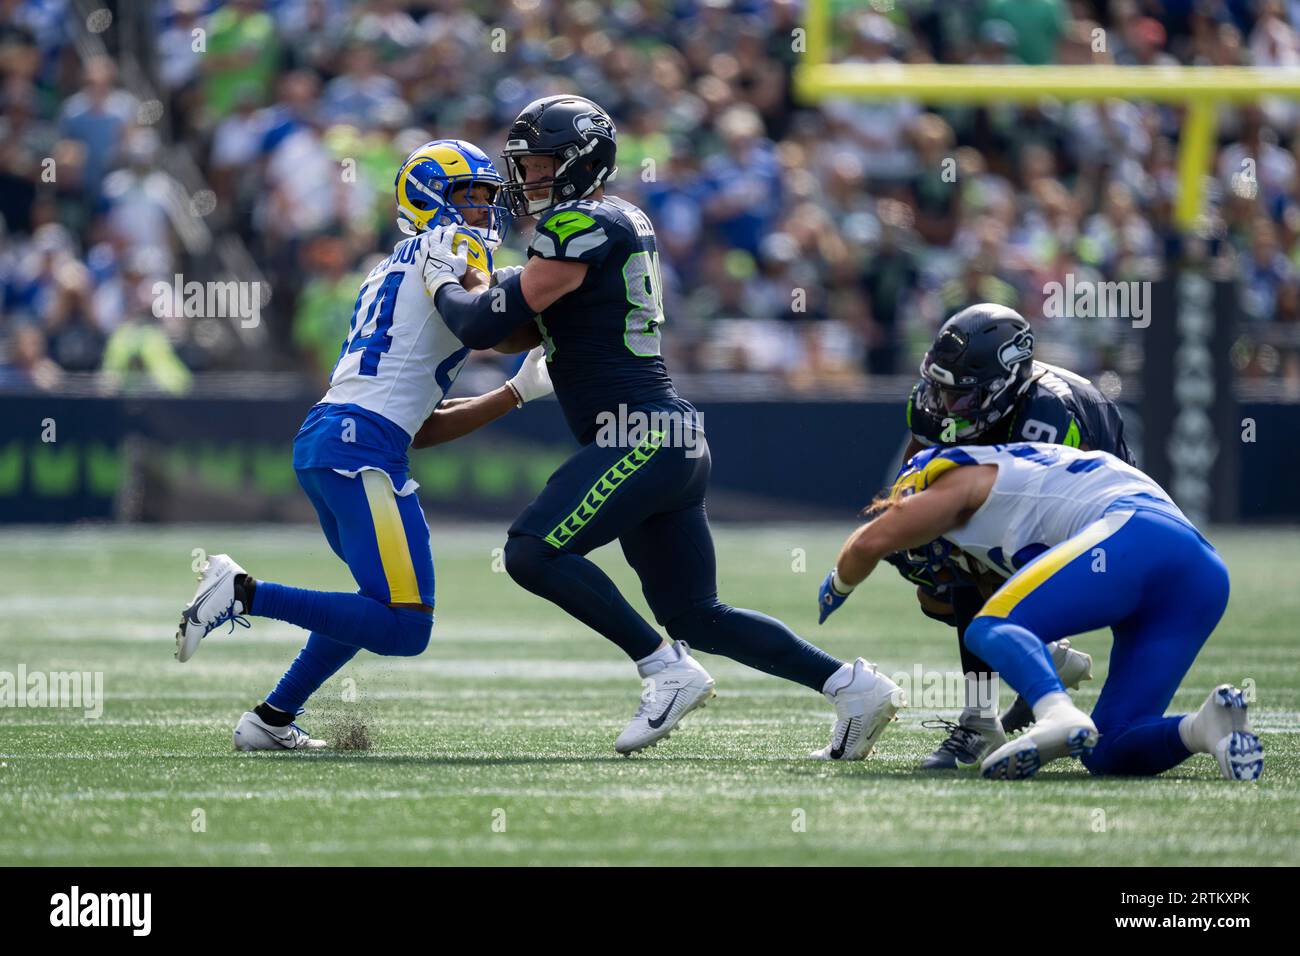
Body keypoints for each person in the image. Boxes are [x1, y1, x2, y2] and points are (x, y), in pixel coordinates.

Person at [423, 94, 901, 759]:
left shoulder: (575, 225)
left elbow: (479, 325)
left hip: (637, 435)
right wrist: (485, 285)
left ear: (577, 162)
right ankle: (853, 686)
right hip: (661, 436)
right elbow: (517, 330)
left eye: (537, 165)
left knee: (532, 551)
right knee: (696, 614)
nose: (525, 179)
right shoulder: (616, 218)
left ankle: (661, 667)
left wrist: (443, 280)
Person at [174, 140, 554, 750]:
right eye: (469, 197)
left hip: (336, 440)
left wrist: (513, 394)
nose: (484, 211)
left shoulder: (390, 266)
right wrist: (561, 303)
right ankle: (243, 592)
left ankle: (271, 719)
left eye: (488, 198)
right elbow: (494, 322)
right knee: (406, 626)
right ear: (430, 200)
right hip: (360, 448)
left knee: (376, 604)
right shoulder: (449, 246)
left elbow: (420, 424)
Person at [820, 442, 1263, 781]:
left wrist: (837, 585)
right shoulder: (1026, 478)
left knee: (989, 627)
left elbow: (868, 542)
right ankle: (1207, 728)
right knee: (1109, 749)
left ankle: (1056, 713)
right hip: (1196, 576)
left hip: (1137, 531)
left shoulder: (957, 480)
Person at [898, 303, 1131, 769]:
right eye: (941, 389)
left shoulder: (1047, 417)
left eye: (960, 395)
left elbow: (1036, 520)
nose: (944, 406)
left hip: (1097, 532)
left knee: (967, 545)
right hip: (1033, 526)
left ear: (1005, 384)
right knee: (930, 563)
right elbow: (904, 490)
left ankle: (988, 707)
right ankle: (1039, 662)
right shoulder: (941, 402)